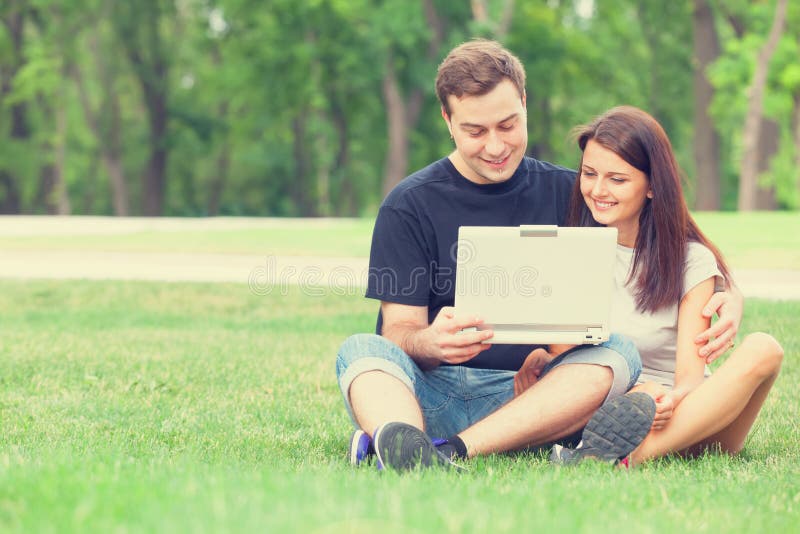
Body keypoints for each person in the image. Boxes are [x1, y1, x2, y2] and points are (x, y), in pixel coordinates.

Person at [336, 40, 742, 472]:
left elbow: (665, 234)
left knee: (617, 354)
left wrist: (730, 293)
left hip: (538, 400)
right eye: (475, 131)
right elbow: (399, 331)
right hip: (429, 392)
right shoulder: (409, 204)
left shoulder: (574, 192)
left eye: (508, 125)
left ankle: (434, 451)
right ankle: (404, 438)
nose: (495, 146)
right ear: (447, 121)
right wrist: (430, 341)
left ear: (525, 104)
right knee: (361, 350)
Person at [545, 106, 782, 466]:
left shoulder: (690, 260)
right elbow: (567, 361)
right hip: (609, 409)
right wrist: (633, 397)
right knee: (628, 400)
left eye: (617, 180)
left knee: (765, 348)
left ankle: (615, 460)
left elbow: (689, 378)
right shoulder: (573, 252)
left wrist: (663, 400)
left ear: (653, 185)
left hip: (691, 416)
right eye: (589, 174)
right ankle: (611, 454)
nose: (597, 190)